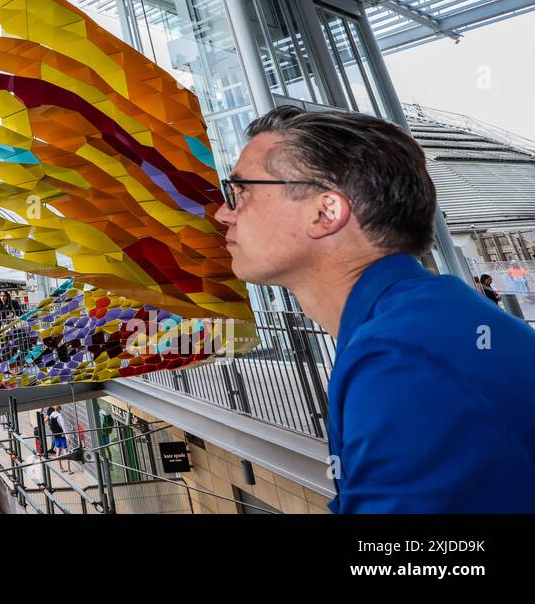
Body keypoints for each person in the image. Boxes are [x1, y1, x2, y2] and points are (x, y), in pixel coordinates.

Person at [216, 106, 535, 512]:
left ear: (325, 211)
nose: (222, 213)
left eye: (239, 191)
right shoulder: (422, 321)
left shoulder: (404, 360)